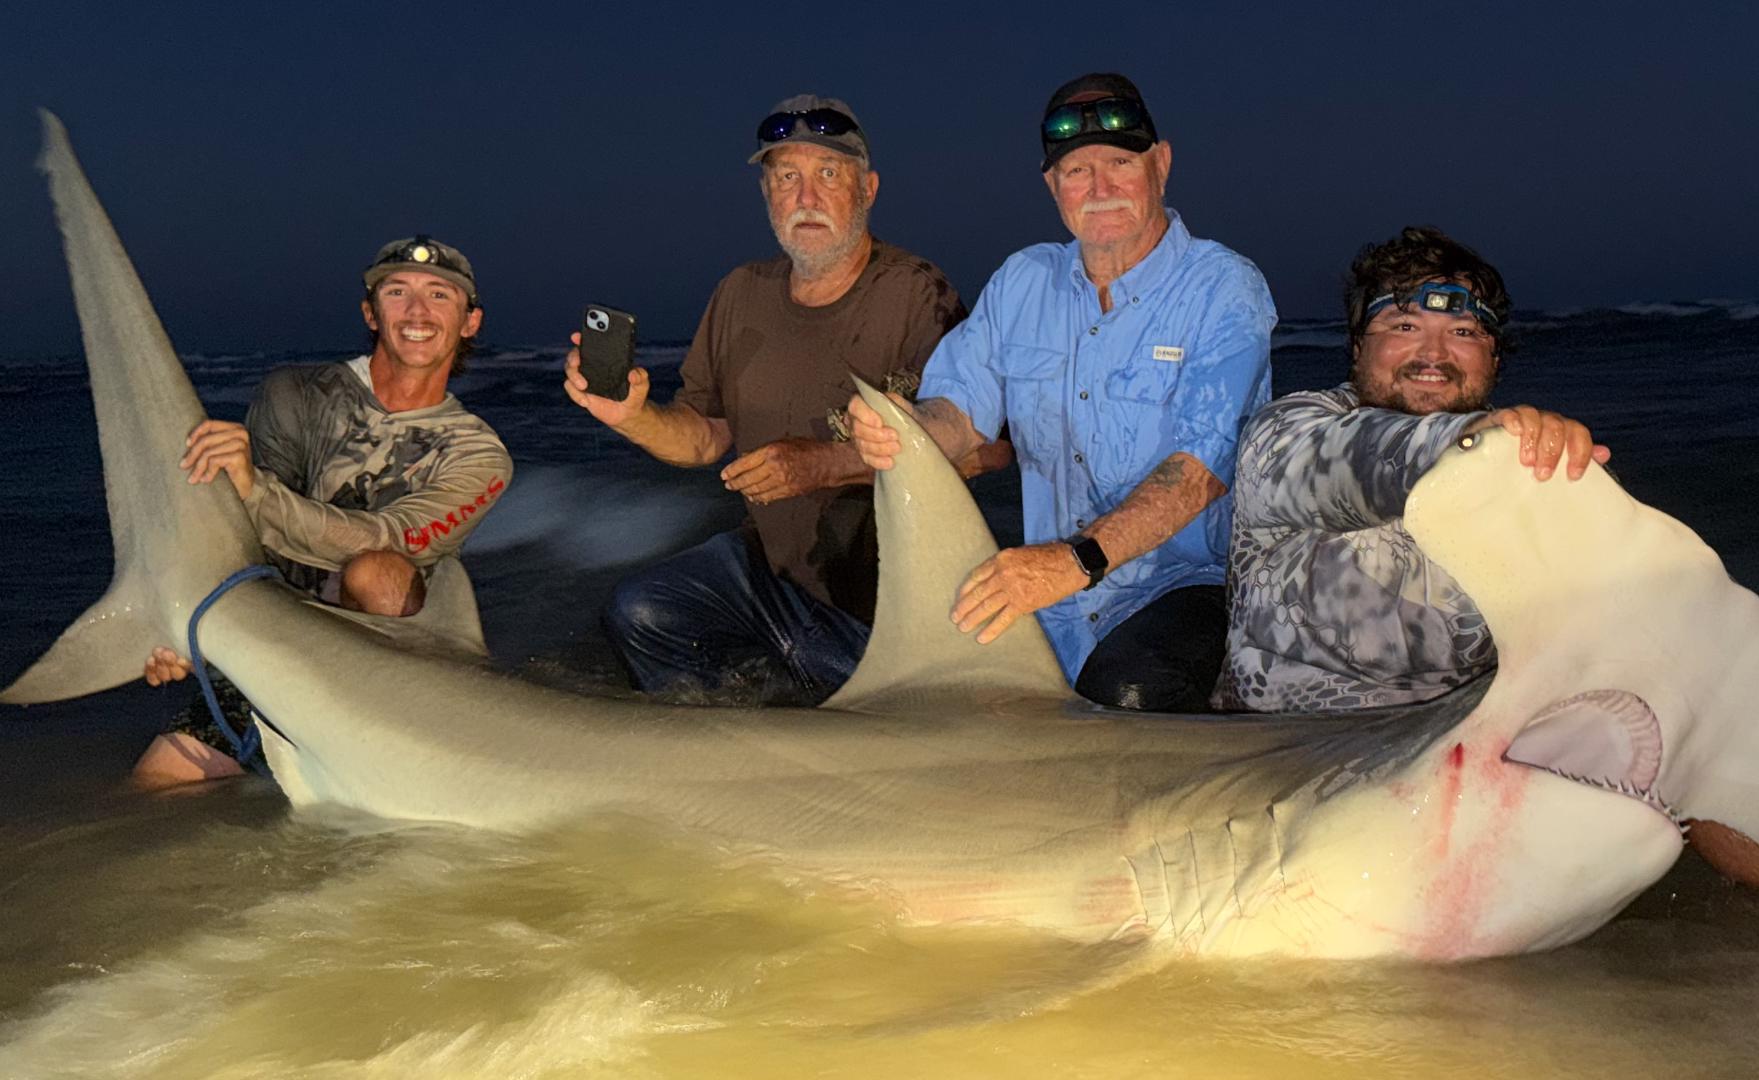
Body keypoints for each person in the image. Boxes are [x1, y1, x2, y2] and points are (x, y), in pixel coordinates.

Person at [1214, 224, 1759, 890]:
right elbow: (1370, 458)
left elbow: (1658, 597)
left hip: (1470, 752)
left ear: (1494, 360)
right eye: (1403, 325)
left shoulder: (1536, 472)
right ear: (1359, 347)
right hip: (1292, 776)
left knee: (1694, 711)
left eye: (1464, 332)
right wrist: (1477, 440)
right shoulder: (1291, 435)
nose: (1433, 352)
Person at [848, 73, 1277, 711]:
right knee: (926, 699)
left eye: (1120, 163)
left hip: (1186, 586)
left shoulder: (1223, 288)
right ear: (1052, 186)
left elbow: (1197, 474)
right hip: (1048, 597)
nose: (1100, 189)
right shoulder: (1023, 281)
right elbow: (958, 415)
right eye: (1077, 170)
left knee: (1126, 690)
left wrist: (1070, 562)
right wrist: (903, 428)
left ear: (1161, 165)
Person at [566, 94, 983, 705]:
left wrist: (825, 461)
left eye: (828, 175)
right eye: (787, 177)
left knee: (893, 716)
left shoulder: (918, 294)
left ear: (867, 188)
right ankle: (735, 746)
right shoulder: (740, 293)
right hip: (769, 575)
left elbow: (982, 453)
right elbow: (705, 436)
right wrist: (633, 417)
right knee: (641, 610)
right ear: (766, 194)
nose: (805, 198)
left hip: (882, 606)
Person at [136, 235, 513, 784]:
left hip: (391, 665)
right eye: (397, 292)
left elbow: (389, 537)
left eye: (440, 295)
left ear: (470, 321)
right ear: (371, 311)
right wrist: (185, 627)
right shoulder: (297, 394)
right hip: (276, 647)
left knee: (378, 570)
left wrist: (253, 490)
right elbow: (242, 539)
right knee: (150, 792)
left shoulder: (478, 455)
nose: (417, 311)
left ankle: (384, 761)